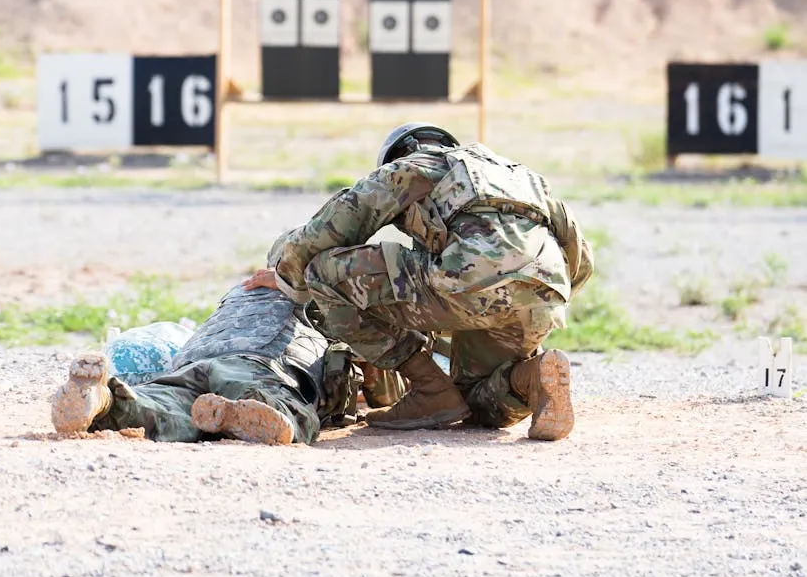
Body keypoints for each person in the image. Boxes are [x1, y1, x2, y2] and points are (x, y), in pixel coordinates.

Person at [242, 122, 594, 441]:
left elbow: (330, 227)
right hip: (543, 294)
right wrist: (526, 302)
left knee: (322, 273)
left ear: (400, 153)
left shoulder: (411, 168)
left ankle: (428, 388)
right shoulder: (524, 177)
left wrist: (290, 278)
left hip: (467, 282)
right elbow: (582, 259)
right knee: (478, 403)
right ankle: (533, 375)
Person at [49, 235, 404, 445]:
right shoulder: (331, 297)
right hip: (261, 363)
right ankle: (242, 414)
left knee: (168, 406)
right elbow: (383, 390)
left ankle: (106, 402)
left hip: (195, 360)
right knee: (282, 406)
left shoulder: (244, 290)